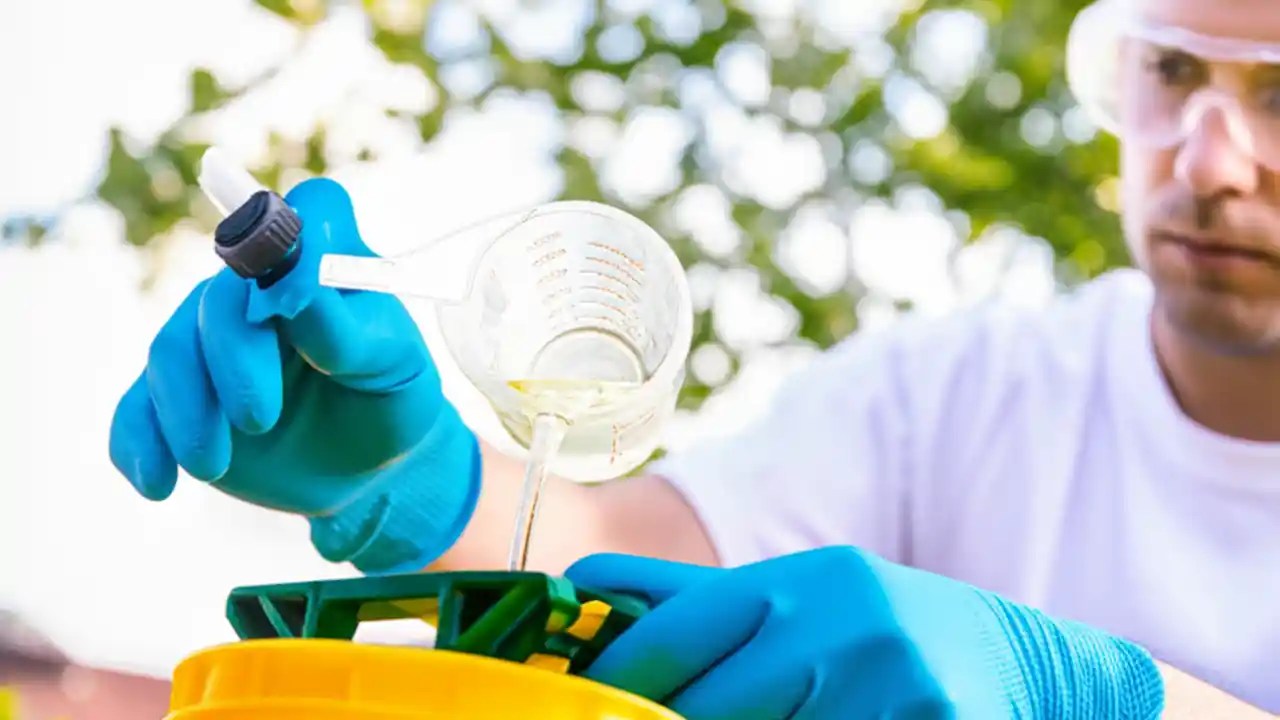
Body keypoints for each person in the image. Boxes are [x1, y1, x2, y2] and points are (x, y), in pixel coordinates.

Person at [107, 0, 1279, 716]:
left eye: (1276, 91)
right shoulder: (959, 395)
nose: (1206, 162)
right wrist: (420, 481)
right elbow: (628, 556)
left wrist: (1099, 705)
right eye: (1170, 72)